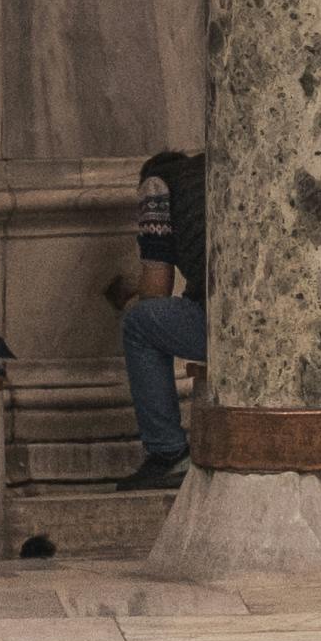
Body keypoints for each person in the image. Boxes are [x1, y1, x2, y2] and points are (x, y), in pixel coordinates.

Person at [110, 148, 206, 487]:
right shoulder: (208, 172)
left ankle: (168, 453)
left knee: (140, 323)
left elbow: (156, 289)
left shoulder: (156, 187)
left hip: (233, 327)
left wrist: (131, 296)